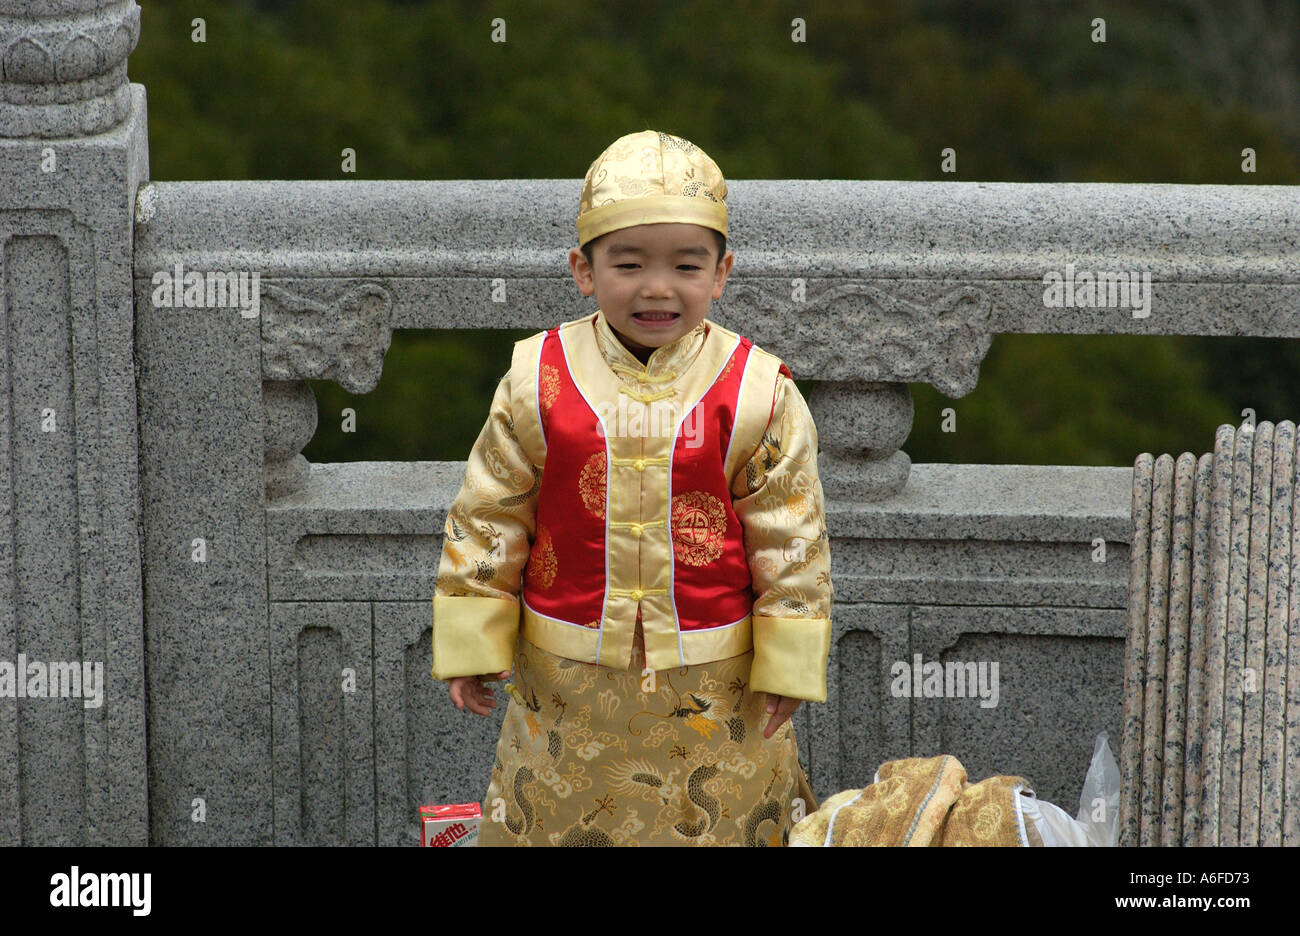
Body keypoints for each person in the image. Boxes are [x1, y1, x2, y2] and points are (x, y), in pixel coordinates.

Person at [431, 129, 833, 845]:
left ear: (722, 272)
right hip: (566, 680)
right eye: (628, 263)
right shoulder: (536, 378)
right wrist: (472, 641)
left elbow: (792, 534)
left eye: (686, 264)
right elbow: (490, 513)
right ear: (583, 270)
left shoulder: (757, 390)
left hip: (717, 684)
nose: (657, 286)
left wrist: (788, 663)